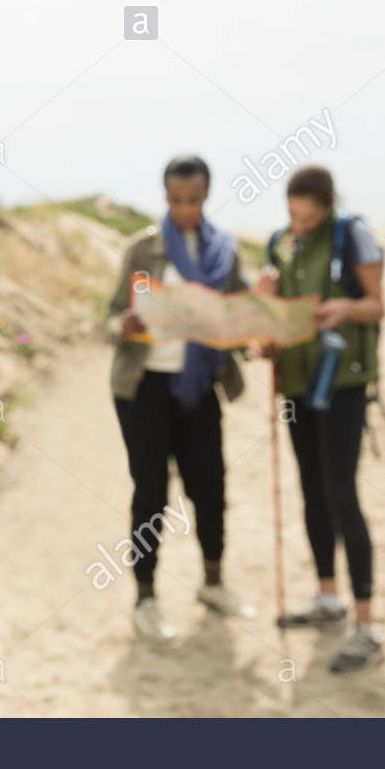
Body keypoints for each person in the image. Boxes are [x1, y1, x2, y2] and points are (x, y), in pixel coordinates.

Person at [106, 155, 254, 643]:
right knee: (150, 494)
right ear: (165, 195)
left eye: (192, 200)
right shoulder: (142, 248)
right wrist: (123, 325)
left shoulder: (223, 252)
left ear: (206, 195)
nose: (184, 208)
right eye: (175, 200)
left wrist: (249, 328)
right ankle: (145, 599)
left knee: (210, 488)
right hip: (143, 387)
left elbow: (243, 315)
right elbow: (109, 318)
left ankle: (213, 583)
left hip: (200, 388)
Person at [255, 165, 385, 672]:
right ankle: (328, 599)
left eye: (309, 216)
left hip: (344, 384)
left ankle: (367, 626)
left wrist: (343, 310)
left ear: (327, 206)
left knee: (341, 492)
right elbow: (279, 318)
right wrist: (266, 327)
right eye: (293, 215)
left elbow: (377, 305)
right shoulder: (280, 245)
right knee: (311, 488)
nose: (301, 224)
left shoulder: (352, 234)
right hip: (296, 384)